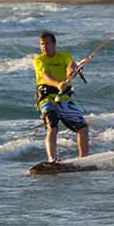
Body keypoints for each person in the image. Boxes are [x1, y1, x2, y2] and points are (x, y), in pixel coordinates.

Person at [33, 29, 90, 165]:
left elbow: (71, 65)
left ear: (54, 44)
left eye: (47, 43)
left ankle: (85, 161)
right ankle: (52, 159)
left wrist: (71, 72)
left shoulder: (64, 56)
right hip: (47, 100)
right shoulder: (39, 59)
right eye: (42, 44)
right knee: (52, 127)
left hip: (64, 101)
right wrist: (58, 84)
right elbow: (44, 76)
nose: (44, 47)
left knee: (83, 128)